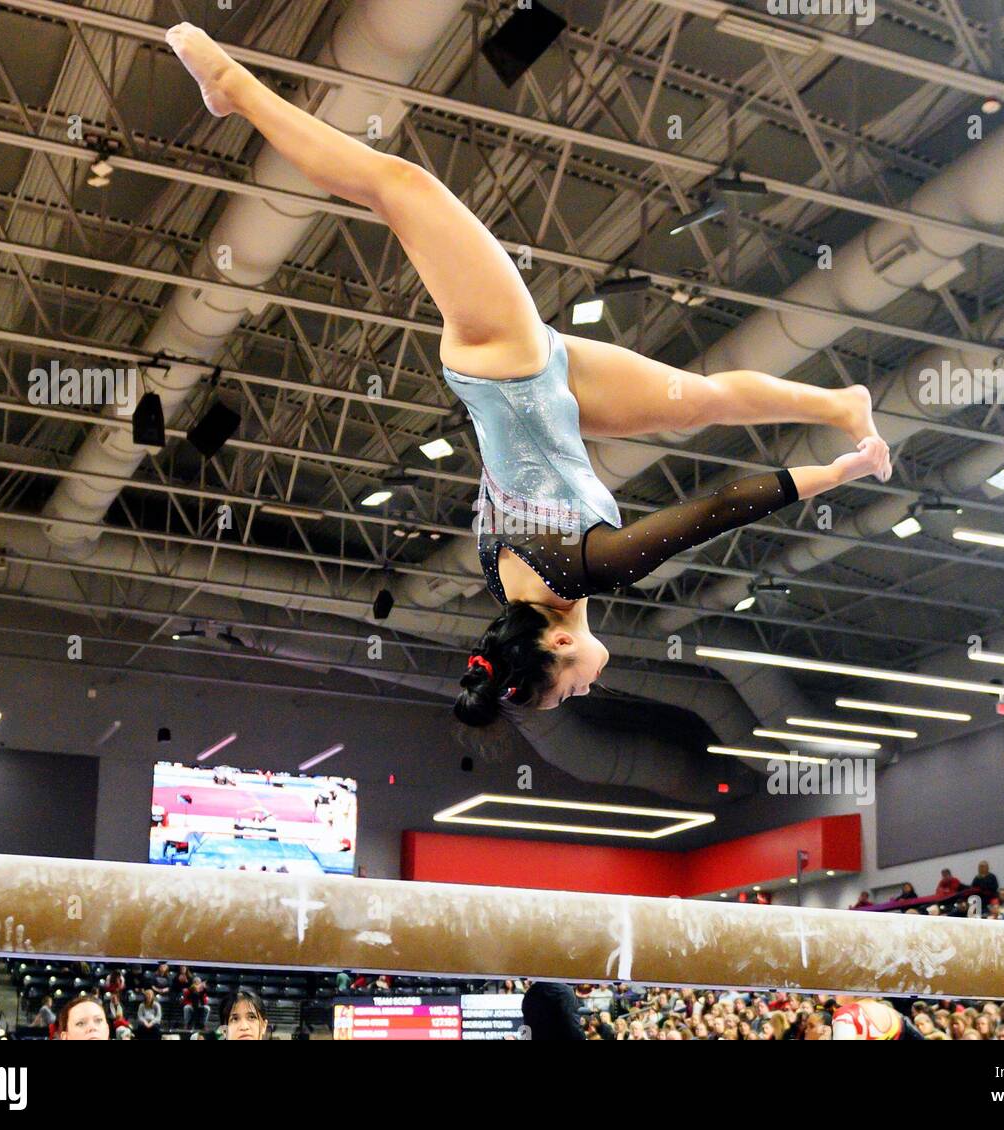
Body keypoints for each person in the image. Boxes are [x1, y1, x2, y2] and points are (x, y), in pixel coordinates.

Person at [164, 23, 894, 730]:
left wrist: (837, 477)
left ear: (561, 645)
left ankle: (233, 88)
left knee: (398, 187)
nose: (582, 692)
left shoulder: (587, 568)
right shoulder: (507, 582)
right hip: (555, 386)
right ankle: (839, 400)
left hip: (504, 358)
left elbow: (715, 510)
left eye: (567, 692)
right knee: (696, 400)